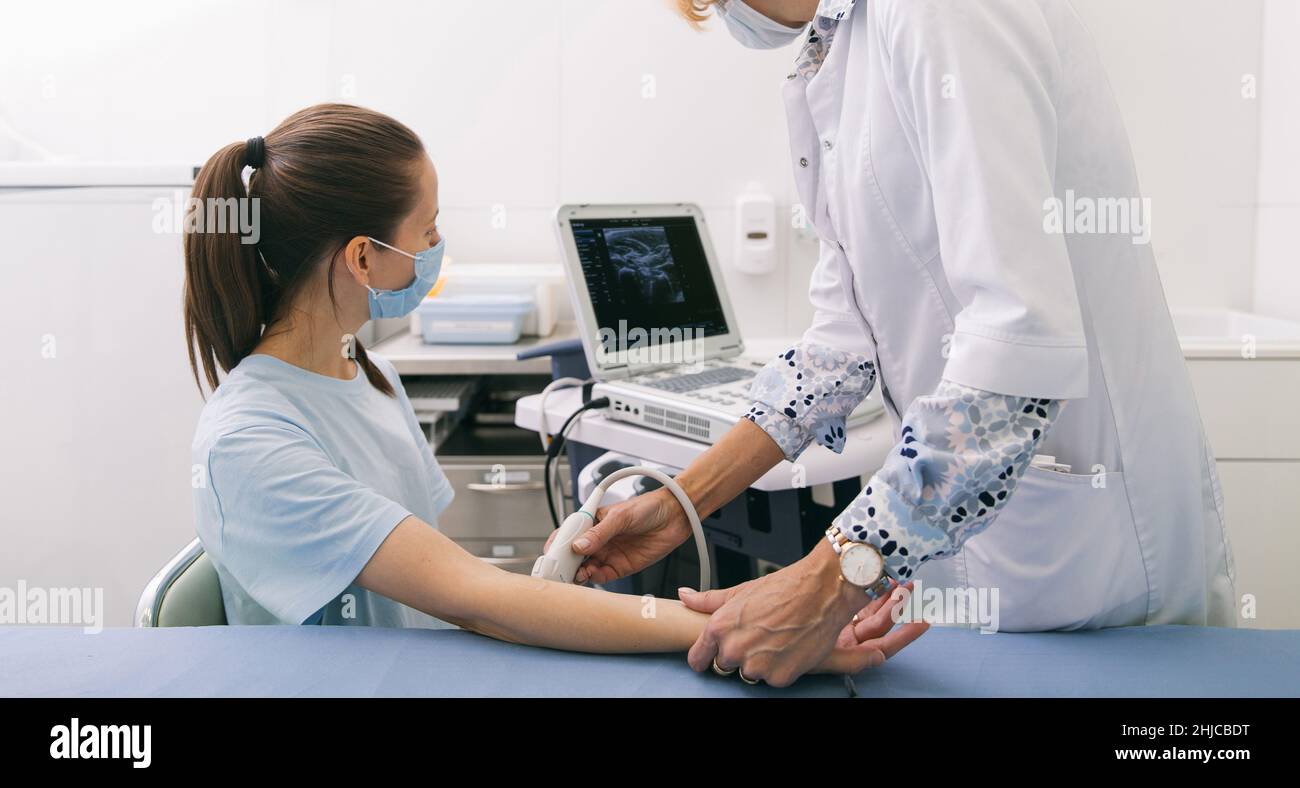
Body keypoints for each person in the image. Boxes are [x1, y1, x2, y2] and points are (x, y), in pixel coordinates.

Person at [559, 0, 1237, 687]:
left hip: (1095, 563)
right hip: (983, 554)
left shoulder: (943, 12)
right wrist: (682, 501)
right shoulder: (840, 54)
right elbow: (840, 343)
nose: (726, 13)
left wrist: (829, 580)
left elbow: (1018, 340)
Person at [183, 102, 920, 672]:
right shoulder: (253, 441)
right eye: (427, 231)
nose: (437, 249)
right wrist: (752, 630)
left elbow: (455, 585)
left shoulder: (363, 372)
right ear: (364, 260)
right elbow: (473, 599)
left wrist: (551, 572)